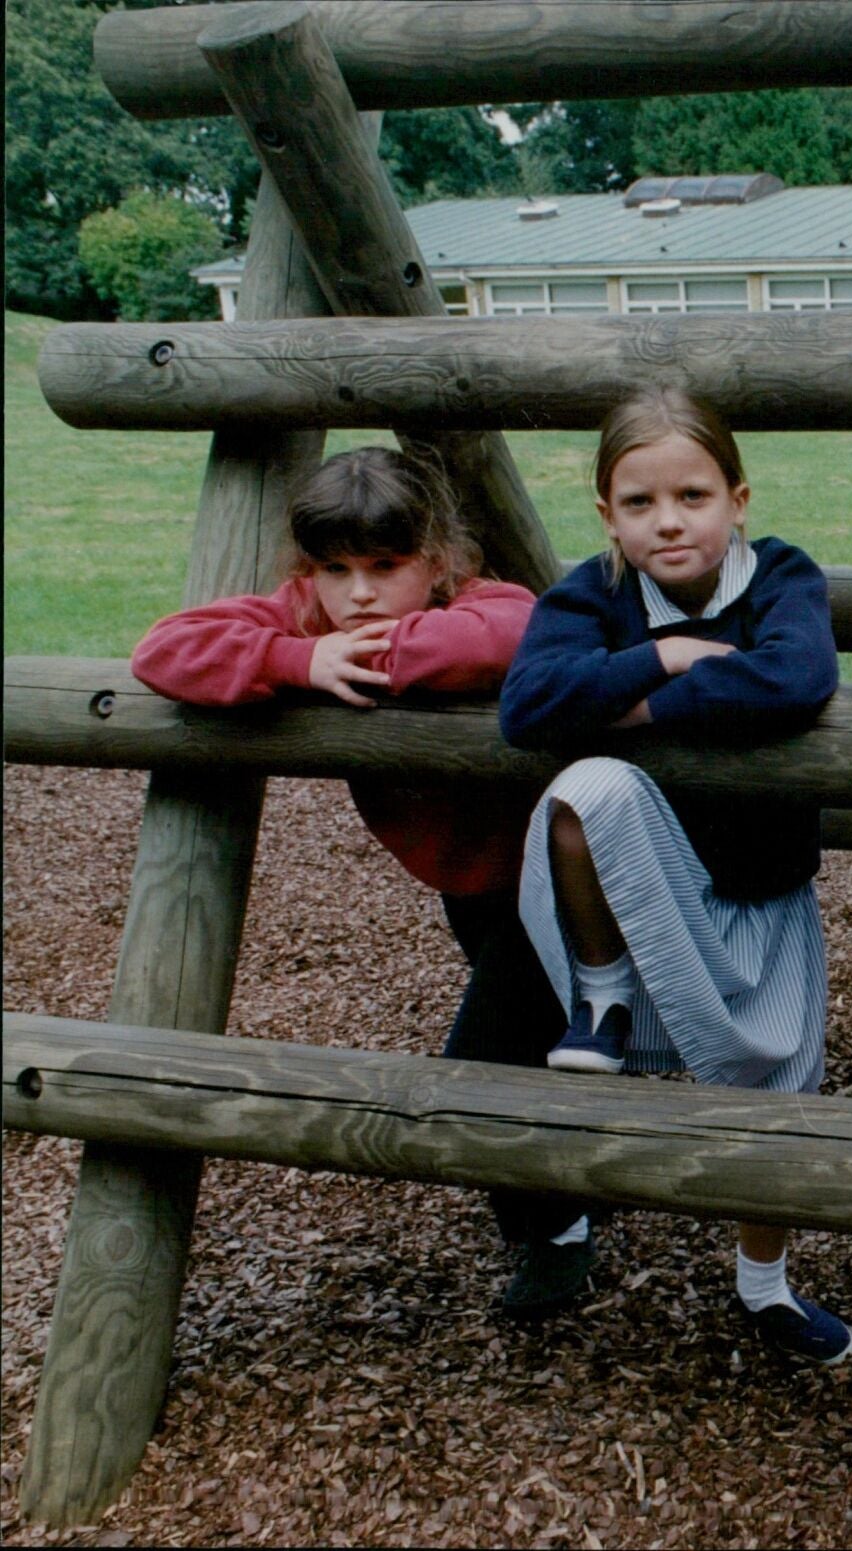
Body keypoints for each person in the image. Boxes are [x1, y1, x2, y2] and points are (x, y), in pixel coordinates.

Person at [130, 446, 593, 1321]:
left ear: (444, 559)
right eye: (335, 571)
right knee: (537, 1033)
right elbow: (165, 647)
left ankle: (554, 1229)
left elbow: (515, 629)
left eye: (387, 567)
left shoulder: (478, 596)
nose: (361, 594)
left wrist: (372, 655)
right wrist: (298, 663)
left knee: (479, 1064)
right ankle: (573, 1158)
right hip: (467, 875)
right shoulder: (307, 621)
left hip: (559, 870)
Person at [497, 386, 851, 1364]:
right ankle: (602, 1001)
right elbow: (529, 707)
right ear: (607, 512)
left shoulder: (779, 574)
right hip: (641, 885)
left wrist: (642, 694)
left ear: (737, 498)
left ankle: (763, 1285)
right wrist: (661, 651)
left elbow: (793, 677)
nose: (668, 522)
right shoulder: (589, 593)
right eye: (640, 503)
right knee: (590, 786)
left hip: (763, 884)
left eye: (692, 495)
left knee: (778, 1094)